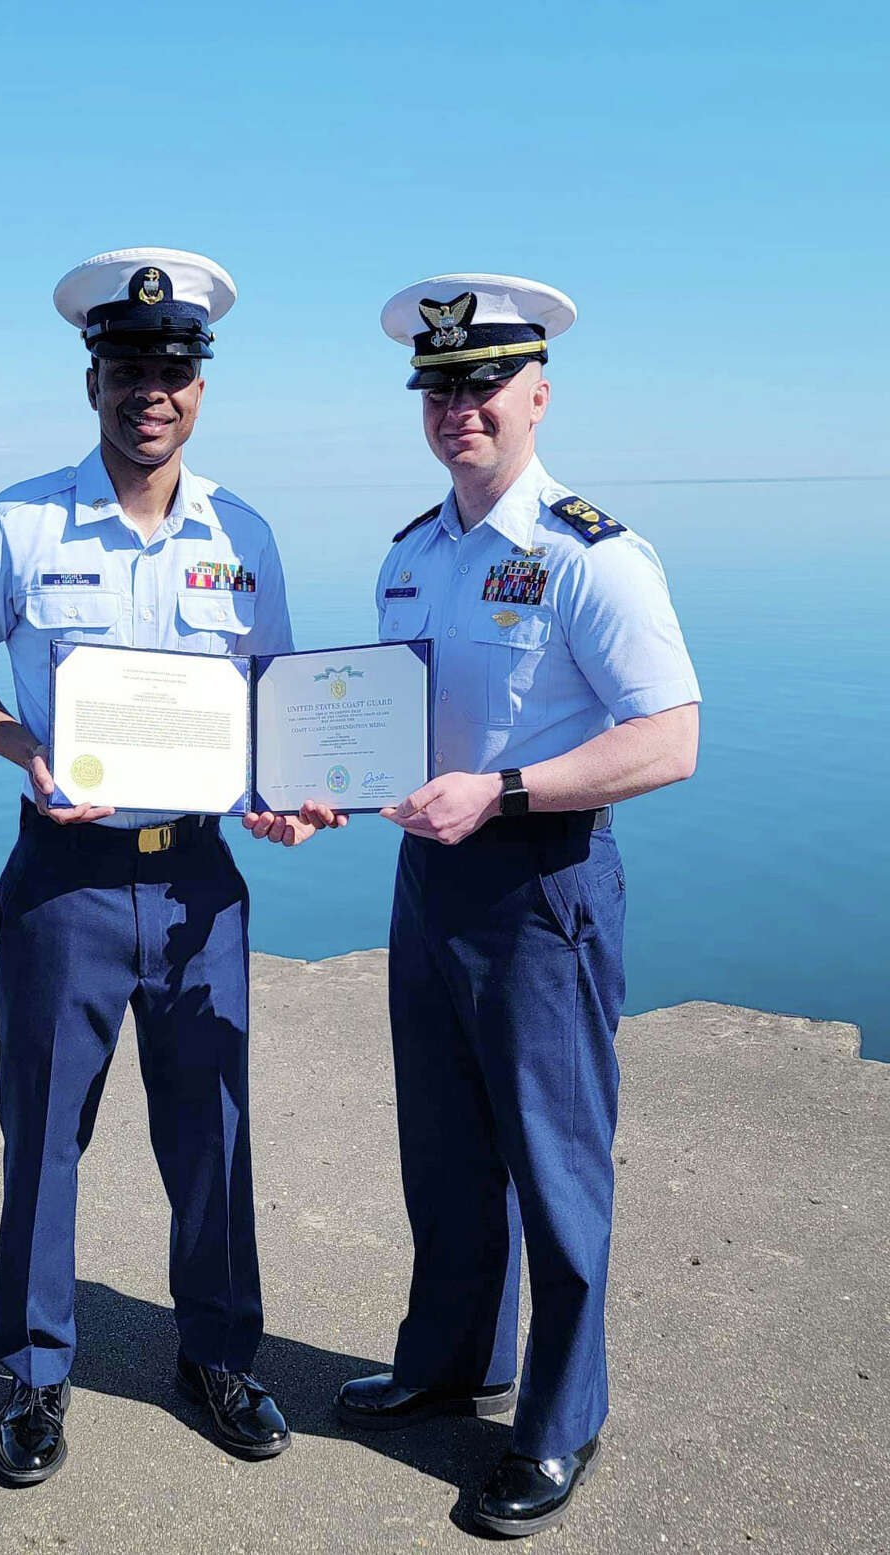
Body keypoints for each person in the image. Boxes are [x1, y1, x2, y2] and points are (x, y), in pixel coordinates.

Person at [0, 247, 329, 1484]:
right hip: (67, 880)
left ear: (199, 386)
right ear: (91, 375)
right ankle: (36, 1376)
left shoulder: (241, 532)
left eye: (174, 366)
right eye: (129, 364)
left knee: (212, 1129)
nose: (151, 387)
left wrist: (287, 792)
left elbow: (277, 707)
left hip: (203, 878)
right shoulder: (19, 524)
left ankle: (217, 1355)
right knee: (45, 1130)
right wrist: (21, 746)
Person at [308, 274, 701, 1537]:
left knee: (555, 1164)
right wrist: (318, 786)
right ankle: (448, 1363)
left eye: (483, 382)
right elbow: (392, 727)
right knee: (446, 1147)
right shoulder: (412, 556)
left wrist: (509, 790)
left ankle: (558, 1422)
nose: (458, 405)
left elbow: (672, 738)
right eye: (438, 385)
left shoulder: (595, 555)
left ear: (538, 391)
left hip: (545, 886)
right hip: (432, 881)